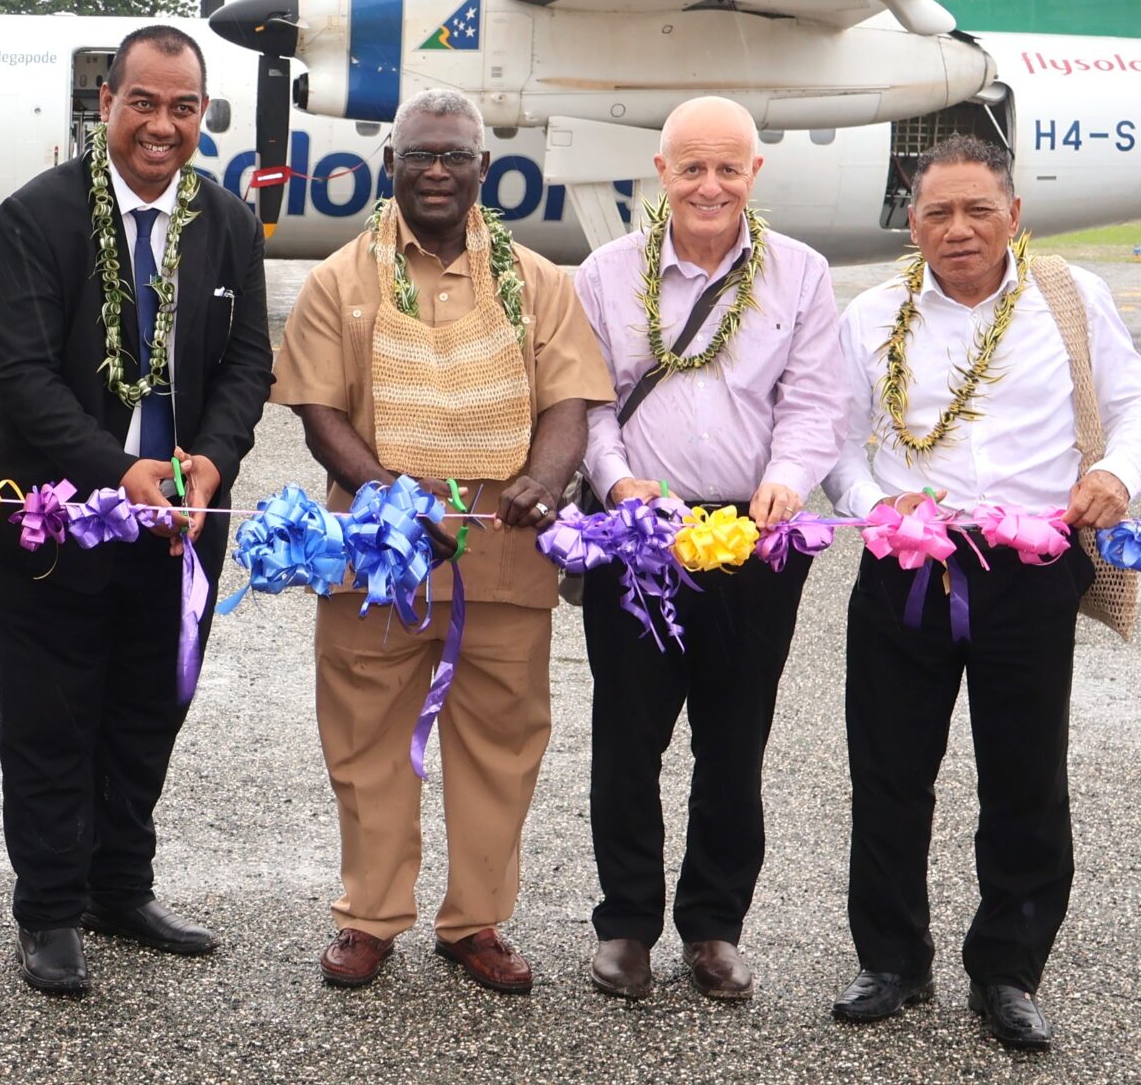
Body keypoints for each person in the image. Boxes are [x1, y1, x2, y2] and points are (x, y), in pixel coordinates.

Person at [273, 88, 612, 994]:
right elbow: (317, 411)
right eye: (419, 154)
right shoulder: (341, 280)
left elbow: (568, 401)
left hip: (504, 555)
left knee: (502, 741)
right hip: (378, 559)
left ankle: (475, 921)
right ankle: (371, 915)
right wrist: (385, 494)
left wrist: (547, 478)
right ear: (391, 165)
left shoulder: (540, 282)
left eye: (453, 156)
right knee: (366, 736)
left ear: (482, 170)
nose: (434, 170)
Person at [0, 25, 272, 995]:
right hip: (59, 517)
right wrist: (116, 466)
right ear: (107, 102)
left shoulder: (225, 223)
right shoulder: (35, 216)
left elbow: (246, 362)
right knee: (52, 720)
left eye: (183, 108)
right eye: (143, 101)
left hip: (181, 522)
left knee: (147, 712)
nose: (161, 125)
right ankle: (48, 909)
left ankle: (118, 887)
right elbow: (18, 372)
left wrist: (212, 462)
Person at [822, 135, 1140, 1052]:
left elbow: (1129, 405)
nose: (958, 230)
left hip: (1030, 570)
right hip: (906, 568)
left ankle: (1008, 969)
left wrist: (1118, 472)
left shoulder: (1069, 301)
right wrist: (880, 504)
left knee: (1025, 776)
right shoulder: (876, 315)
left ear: (1014, 215)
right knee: (888, 770)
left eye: (977, 210)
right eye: (937, 213)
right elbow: (839, 442)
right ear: (911, 222)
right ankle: (891, 959)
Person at [572, 96, 850, 1001]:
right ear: (660, 172)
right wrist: (615, 481)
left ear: (755, 175)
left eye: (729, 167)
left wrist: (792, 473)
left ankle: (715, 926)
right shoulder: (608, 273)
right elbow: (588, 404)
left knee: (735, 740)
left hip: (757, 537)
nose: (710, 184)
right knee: (628, 736)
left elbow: (816, 403)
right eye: (691, 166)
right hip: (640, 533)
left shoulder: (801, 274)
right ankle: (626, 925)